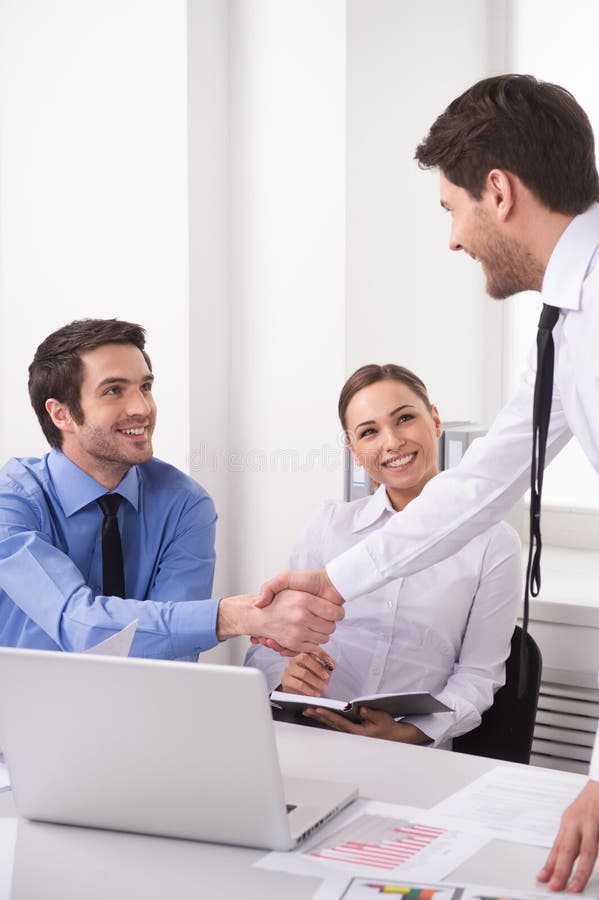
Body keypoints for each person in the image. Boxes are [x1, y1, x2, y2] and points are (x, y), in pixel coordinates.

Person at [256, 75, 599, 891]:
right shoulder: (564, 321)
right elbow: (478, 484)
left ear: (497, 190)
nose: (453, 239)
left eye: (450, 210)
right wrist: (330, 581)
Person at [0, 318, 343, 659]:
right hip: (28, 709)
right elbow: (77, 623)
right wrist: (235, 615)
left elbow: (171, 653)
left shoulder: (184, 504)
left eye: (145, 387)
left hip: (143, 706)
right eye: (113, 391)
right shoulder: (13, 499)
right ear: (61, 414)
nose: (142, 408)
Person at [247, 364, 520, 747]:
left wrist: (406, 732)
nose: (392, 442)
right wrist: (285, 675)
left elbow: (477, 676)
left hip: (408, 751)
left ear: (435, 419)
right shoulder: (328, 526)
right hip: (308, 736)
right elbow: (265, 649)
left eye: (405, 418)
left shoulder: (492, 543)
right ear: (353, 450)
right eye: (369, 431)